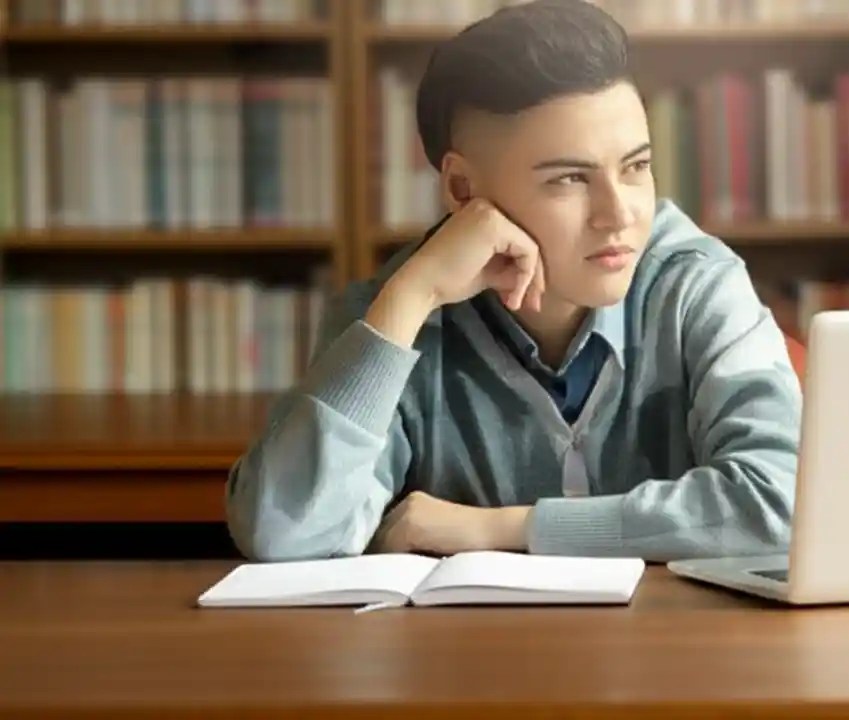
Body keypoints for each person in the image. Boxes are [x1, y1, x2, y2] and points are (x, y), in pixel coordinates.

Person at [225, 0, 802, 563]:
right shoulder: (393, 315)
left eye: (636, 167)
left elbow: (784, 502)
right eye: (570, 179)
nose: (618, 212)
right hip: (473, 658)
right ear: (462, 191)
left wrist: (505, 528)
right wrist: (410, 297)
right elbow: (287, 538)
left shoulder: (694, 284)